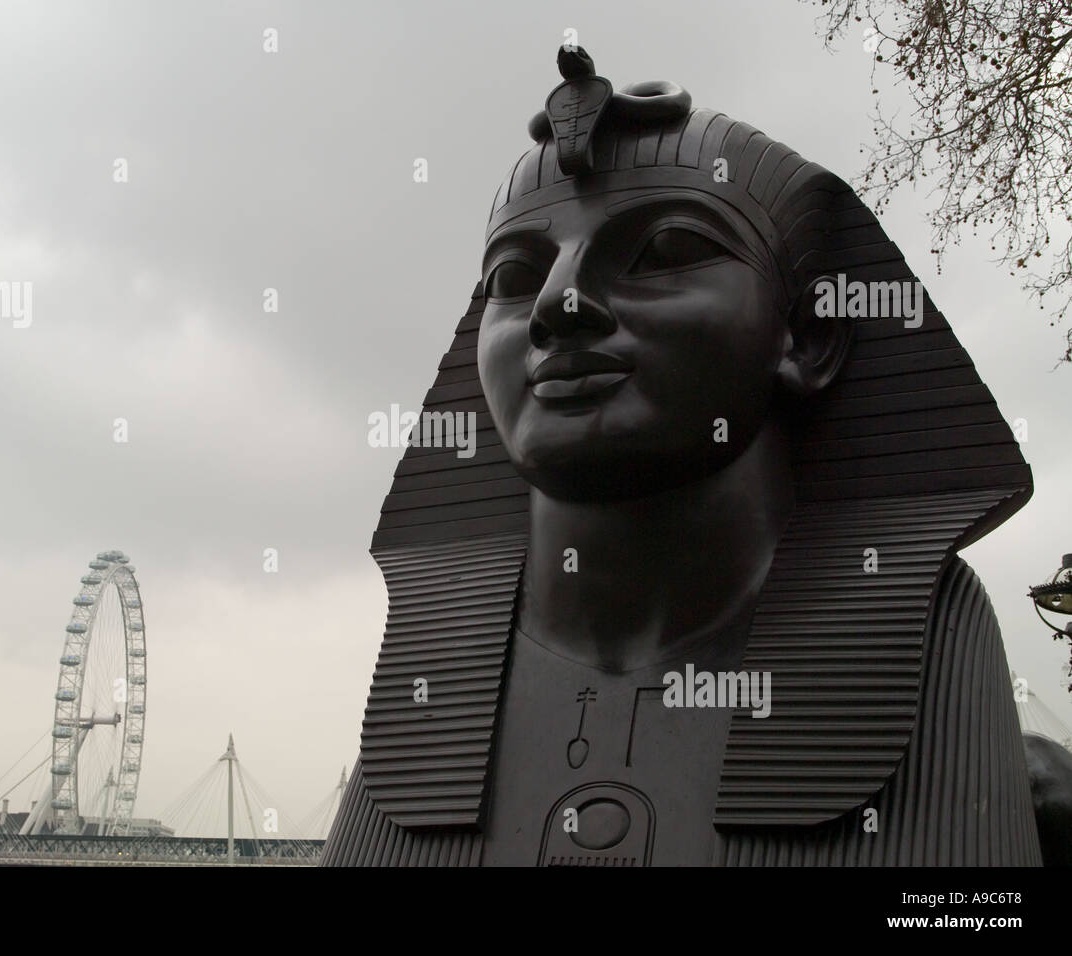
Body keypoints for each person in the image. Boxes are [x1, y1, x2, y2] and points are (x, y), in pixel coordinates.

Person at [324, 47, 1042, 865]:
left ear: (806, 337)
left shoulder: (930, 619)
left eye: (665, 253)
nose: (560, 304)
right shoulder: (444, 669)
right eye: (516, 275)